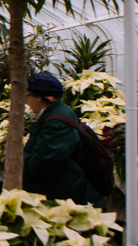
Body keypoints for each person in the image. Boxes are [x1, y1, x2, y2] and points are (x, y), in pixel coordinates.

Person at [23, 72, 103, 206]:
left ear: (39, 97)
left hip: (64, 196)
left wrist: (19, 157)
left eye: (28, 96)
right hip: (63, 191)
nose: (27, 102)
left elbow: (44, 163)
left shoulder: (56, 123)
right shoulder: (58, 113)